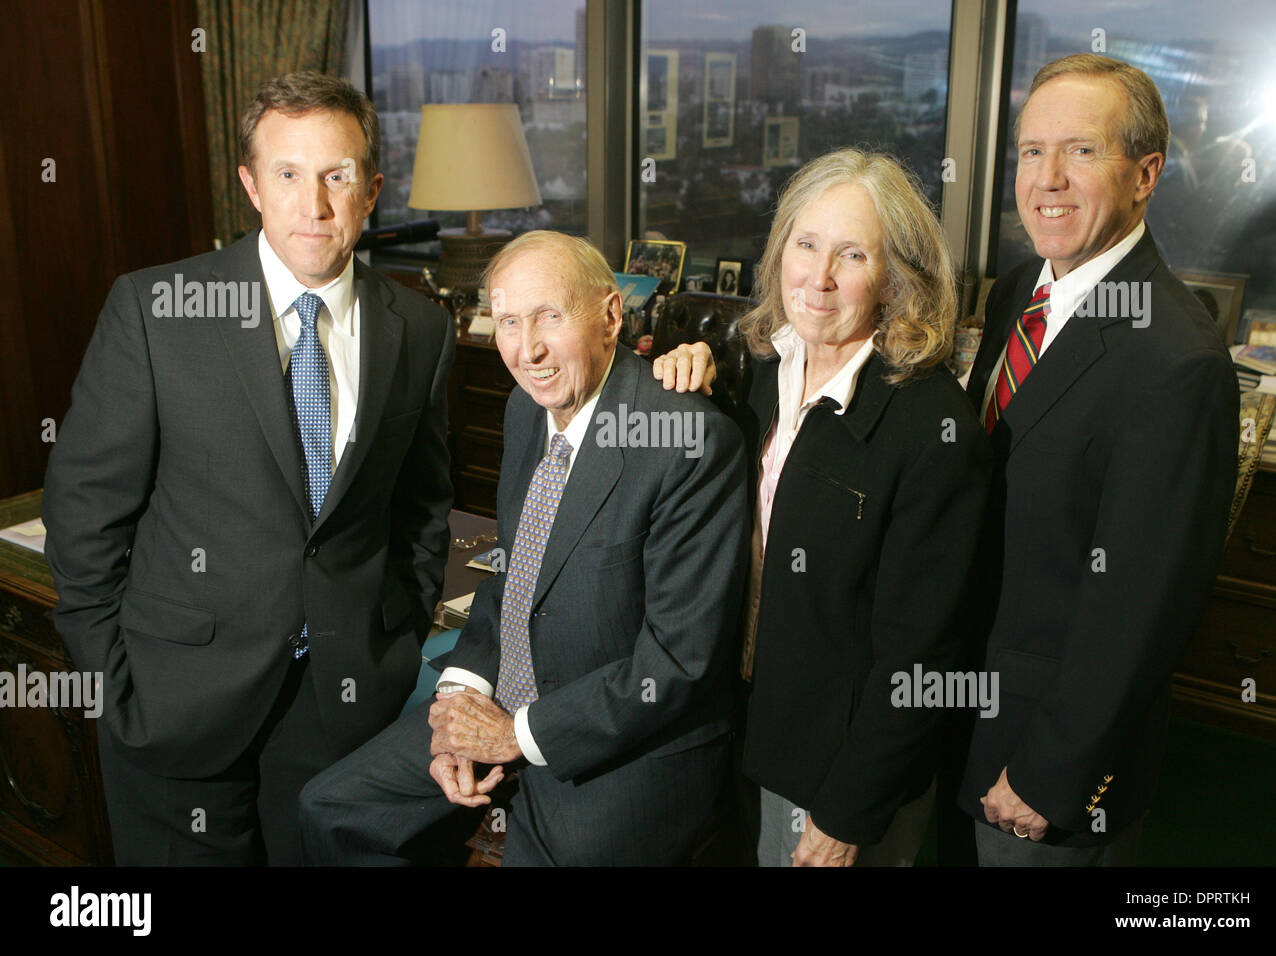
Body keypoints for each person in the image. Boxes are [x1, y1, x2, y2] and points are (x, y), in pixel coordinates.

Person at [42, 72, 456, 865]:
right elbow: (84, 517)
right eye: (288, 174)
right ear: (250, 186)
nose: (315, 205)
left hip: (340, 711)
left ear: (371, 190)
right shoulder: (154, 309)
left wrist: (392, 641)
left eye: (337, 176)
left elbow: (423, 509)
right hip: (173, 709)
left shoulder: (420, 329)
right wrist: (114, 687)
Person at [298, 231, 749, 866]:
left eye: (549, 316)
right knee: (333, 808)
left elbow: (678, 665)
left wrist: (515, 736)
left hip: (624, 750)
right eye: (509, 320)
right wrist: (460, 707)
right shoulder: (523, 407)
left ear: (610, 316)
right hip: (504, 698)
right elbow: (514, 577)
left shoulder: (686, 441)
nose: (527, 348)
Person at [656, 148, 992, 866]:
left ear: (897, 277)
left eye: (852, 254)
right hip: (741, 727)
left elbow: (923, 654)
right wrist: (693, 374)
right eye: (805, 244)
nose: (819, 275)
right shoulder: (763, 369)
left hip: (834, 770)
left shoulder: (933, 427)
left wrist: (848, 811)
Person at [958, 54, 1238, 864]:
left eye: (1081, 151)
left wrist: (1054, 771)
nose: (1047, 178)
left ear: (1146, 174)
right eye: (1030, 151)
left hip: (1046, 765)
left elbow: (1146, 604)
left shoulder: (1178, 359)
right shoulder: (1019, 291)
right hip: (965, 718)